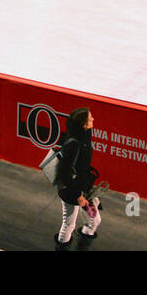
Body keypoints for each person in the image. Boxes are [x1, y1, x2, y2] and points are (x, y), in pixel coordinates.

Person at [53, 107, 103, 251]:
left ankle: (83, 244)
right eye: (90, 118)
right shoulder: (74, 144)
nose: (93, 119)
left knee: (95, 219)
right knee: (69, 224)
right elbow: (64, 174)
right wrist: (78, 196)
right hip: (72, 192)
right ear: (83, 124)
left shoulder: (85, 135)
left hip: (85, 188)